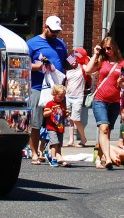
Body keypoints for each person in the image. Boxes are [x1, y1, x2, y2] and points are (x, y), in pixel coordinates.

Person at [26, 15, 68, 165]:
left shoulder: (61, 44)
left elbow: (65, 63)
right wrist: (38, 66)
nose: (55, 34)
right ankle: (34, 153)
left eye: (57, 31)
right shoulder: (32, 43)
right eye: (53, 31)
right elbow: (24, 64)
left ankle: (57, 153)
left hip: (56, 89)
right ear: (45, 27)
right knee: (36, 122)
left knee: (58, 121)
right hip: (38, 87)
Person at [86, 36, 124, 170]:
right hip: (100, 100)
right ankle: (108, 158)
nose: (106, 51)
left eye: (109, 48)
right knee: (104, 128)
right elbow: (88, 70)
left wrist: (121, 83)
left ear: (114, 47)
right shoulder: (102, 61)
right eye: (104, 49)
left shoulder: (123, 64)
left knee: (106, 132)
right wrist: (96, 54)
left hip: (114, 102)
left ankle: (99, 158)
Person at [63, 47, 91, 147]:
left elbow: (90, 69)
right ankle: (71, 140)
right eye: (72, 59)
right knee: (70, 120)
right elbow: (67, 83)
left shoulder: (83, 68)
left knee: (76, 119)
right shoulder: (68, 71)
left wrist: (86, 58)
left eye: (76, 59)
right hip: (68, 96)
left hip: (78, 97)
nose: (74, 61)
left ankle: (83, 138)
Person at [41, 84, 69, 167]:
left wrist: (67, 114)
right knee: (55, 143)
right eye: (60, 96)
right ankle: (53, 158)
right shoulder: (50, 104)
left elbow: (62, 116)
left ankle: (55, 156)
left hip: (60, 127)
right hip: (51, 127)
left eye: (63, 96)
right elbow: (44, 114)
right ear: (54, 94)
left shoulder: (63, 105)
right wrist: (51, 111)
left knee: (59, 144)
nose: (62, 98)